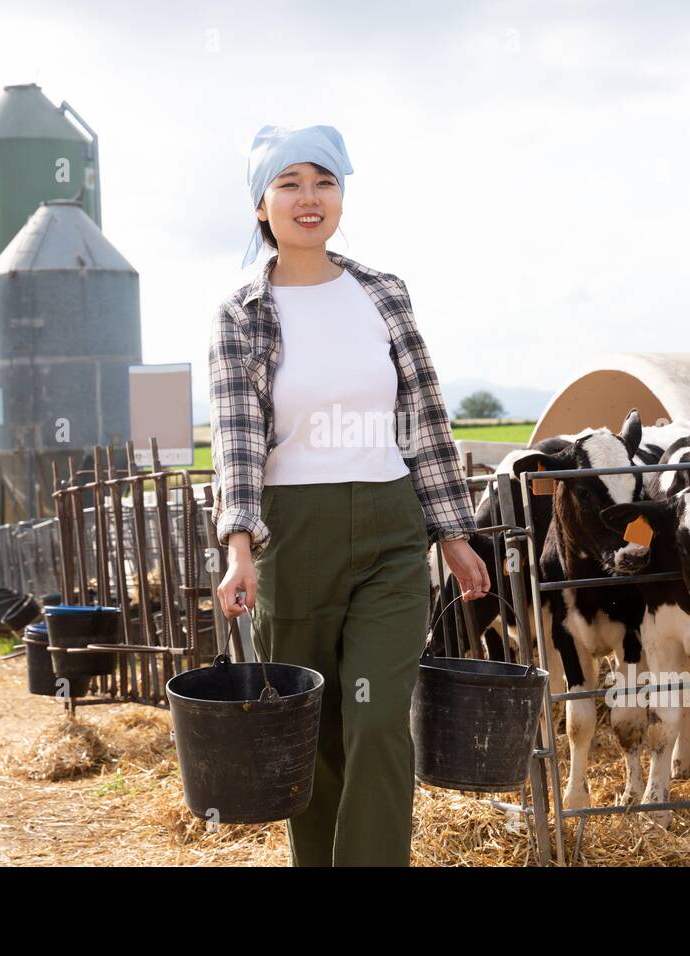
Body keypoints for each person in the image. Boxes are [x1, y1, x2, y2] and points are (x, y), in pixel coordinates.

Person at [208, 123, 490, 866]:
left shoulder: (383, 295)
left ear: (342, 195)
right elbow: (237, 440)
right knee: (317, 729)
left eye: (325, 182)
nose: (310, 198)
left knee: (375, 719)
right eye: (290, 184)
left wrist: (454, 535)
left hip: (391, 532)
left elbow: (425, 419)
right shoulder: (242, 313)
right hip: (295, 535)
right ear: (261, 206)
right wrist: (240, 551)